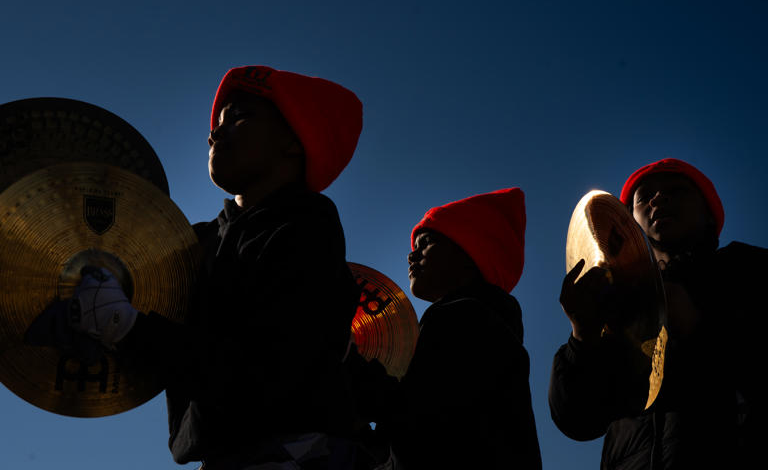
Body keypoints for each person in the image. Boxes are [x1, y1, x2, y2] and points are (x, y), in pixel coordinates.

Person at [30, 65, 366, 469]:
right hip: (225, 455)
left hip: (301, 452)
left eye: (239, 116)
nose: (215, 132)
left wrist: (124, 324)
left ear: (295, 142)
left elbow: (269, 371)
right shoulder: (197, 241)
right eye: (216, 122)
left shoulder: (308, 226)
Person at [549, 158, 767, 470]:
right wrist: (581, 337)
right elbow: (579, 421)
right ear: (628, 221)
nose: (658, 198)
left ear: (709, 215)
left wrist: (698, 330)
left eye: (676, 191)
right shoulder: (618, 302)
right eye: (644, 196)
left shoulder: (748, 270)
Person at [373, 188, 542, 469]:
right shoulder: (493, 327)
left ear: (470, 253)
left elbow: (418, 428)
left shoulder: (459, 321)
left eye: (426, 244)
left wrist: (363, 382)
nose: (411, 257)